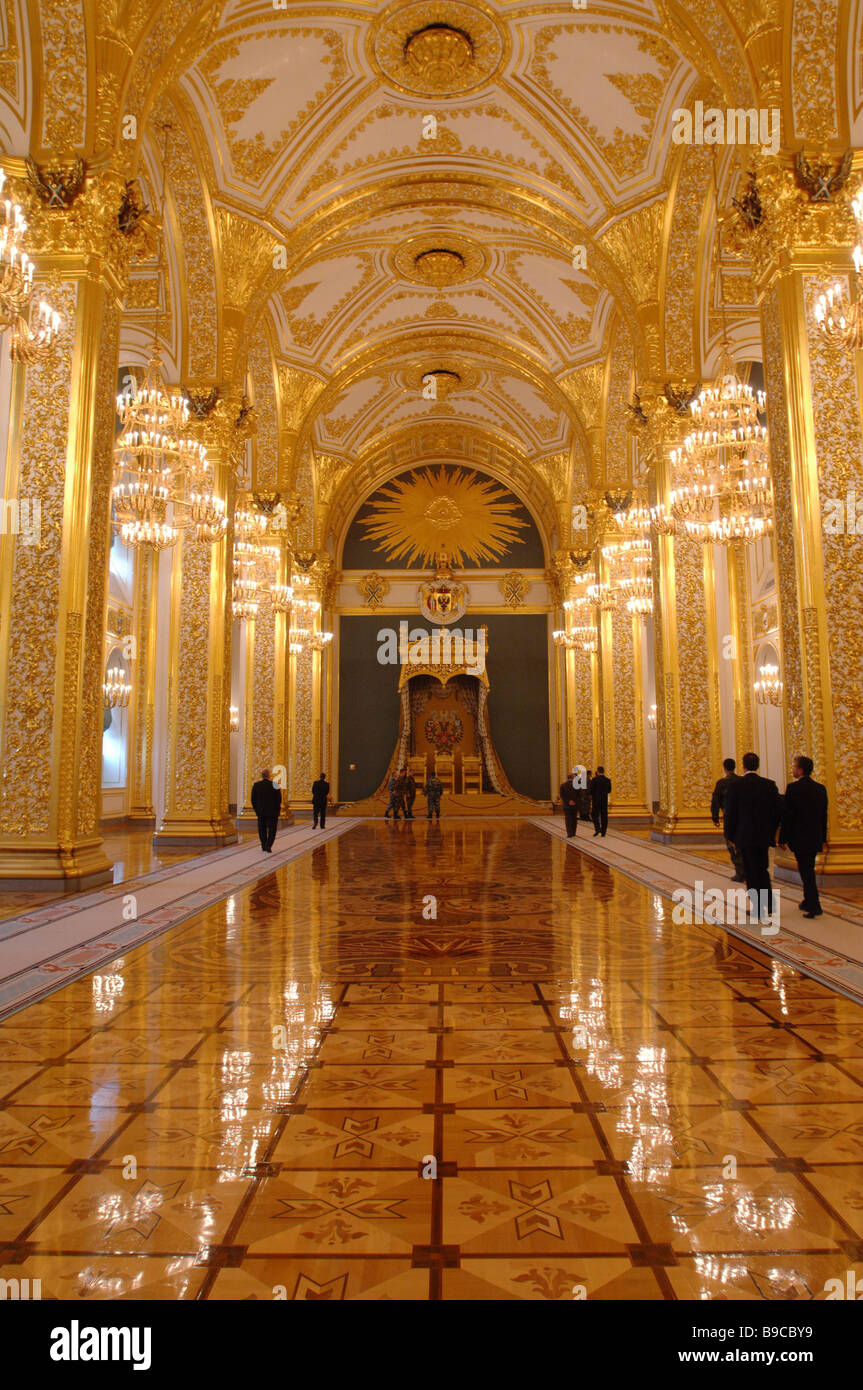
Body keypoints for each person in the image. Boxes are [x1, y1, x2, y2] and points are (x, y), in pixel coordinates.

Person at [723, 751, 782, 920]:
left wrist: (730, 835)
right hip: (763, 835)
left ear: (743, 766)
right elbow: (778, 810)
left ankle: (757, 906)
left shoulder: (736, 786)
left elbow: (730, 813)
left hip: (744, 835)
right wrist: (772, 829)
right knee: (763, 869)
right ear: (757, 765)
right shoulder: (769, 785)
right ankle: (770, 903)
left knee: (750, 871)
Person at [778, 755, 828, 918]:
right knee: (807, 869)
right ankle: (808, 900)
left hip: (799, 837)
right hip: (814, 836)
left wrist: (782, 838)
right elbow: (823, 815)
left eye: (794, 767)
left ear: (800, 770)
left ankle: (814, 905)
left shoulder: (793, 788)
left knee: (806, 871)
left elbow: (788, 816)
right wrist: (823, 838)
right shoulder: (820, 788)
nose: (792, 769)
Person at [711, 757, 745, 882]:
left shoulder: (722, 783)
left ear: (724, 768)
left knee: (731, 843)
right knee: (742, 842)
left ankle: (740, 870)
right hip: (743, 817)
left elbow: (715, 801)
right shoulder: (741, 781)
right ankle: (745, 868)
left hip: (729, 817)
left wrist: (715, 817)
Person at [251, 768, 281, 853]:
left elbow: (253, 800)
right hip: (272, 812)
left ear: (262, 776)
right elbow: (278, 800)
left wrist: (256, 810)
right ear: (269, 776)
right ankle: (268, 845)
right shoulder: (275, 785)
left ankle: (264, 845)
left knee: (262, 829)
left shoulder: (256, 785)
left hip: (261, 811)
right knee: (272, 829)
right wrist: (277, 810)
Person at [590, 766, 612, 837]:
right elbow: (609, 790)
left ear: (598, 771)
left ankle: (597, 828)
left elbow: (591, 790)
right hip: (604, 801)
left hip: (596, 801)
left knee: (594, 815)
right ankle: (603, 832)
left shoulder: (594, 779)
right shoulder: (607, 780)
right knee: (604, 816)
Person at [559, 770, 581, 838]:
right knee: (574, 818)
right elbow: (579, 795)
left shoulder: (563, 785)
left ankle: (569, 832)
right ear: (573, 777)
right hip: (575, 804)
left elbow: (562, 795)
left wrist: (568, 801)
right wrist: (574, 801)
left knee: (568, 819)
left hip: (566, 805)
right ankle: (574, 832)